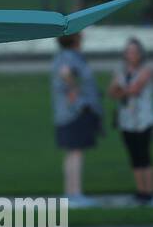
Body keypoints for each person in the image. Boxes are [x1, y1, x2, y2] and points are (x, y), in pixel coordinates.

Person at [51, 33, 102, 206]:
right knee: (76, 153)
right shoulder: (69, 57)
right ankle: (76, 195)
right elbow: (65, 75)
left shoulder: (62, 57)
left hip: (67, 113)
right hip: (74, 113)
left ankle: (70, 193)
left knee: (72, 153)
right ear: (75, 40)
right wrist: (79, 99)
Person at [108, 38, 153, 205]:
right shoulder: (120, 70)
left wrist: (121, 90)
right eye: (128, 52)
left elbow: (135, 89)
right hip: (126, 120)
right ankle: (141, 191)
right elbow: (112, 92)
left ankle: (149, 191)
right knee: (133, 156)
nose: (131, 55)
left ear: (140, 53)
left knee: (144, 155)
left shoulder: (147, 69)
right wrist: (121, 90)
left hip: (142, 120)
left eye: (134, 51)